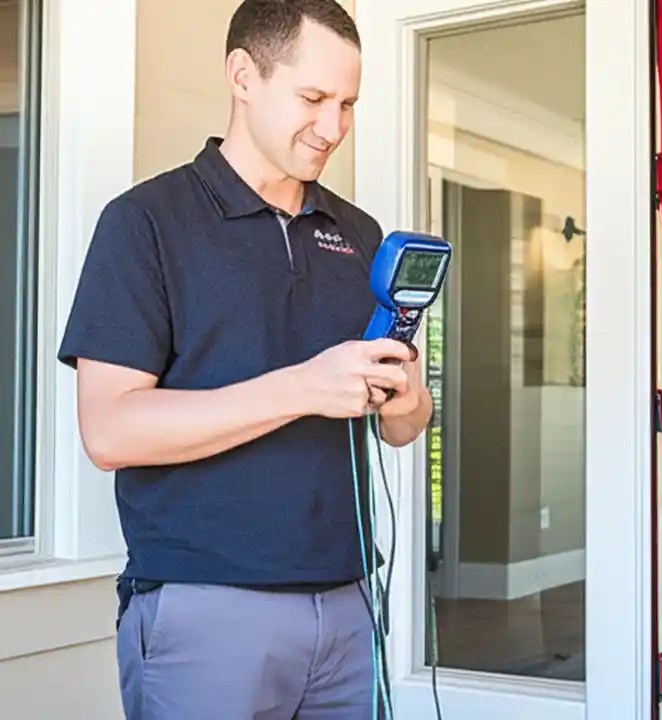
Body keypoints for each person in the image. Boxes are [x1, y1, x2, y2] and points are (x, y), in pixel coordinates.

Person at [55, 1, 427, 717]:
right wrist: (302, 387)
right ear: (243, 75)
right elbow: (109, 433)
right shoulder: (144, 223)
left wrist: (406, 396)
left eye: (348, 104)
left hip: (350, 606)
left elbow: (403, 428)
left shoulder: (360, 234)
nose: (334, 128)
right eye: (314, 98)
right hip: (207, 611)